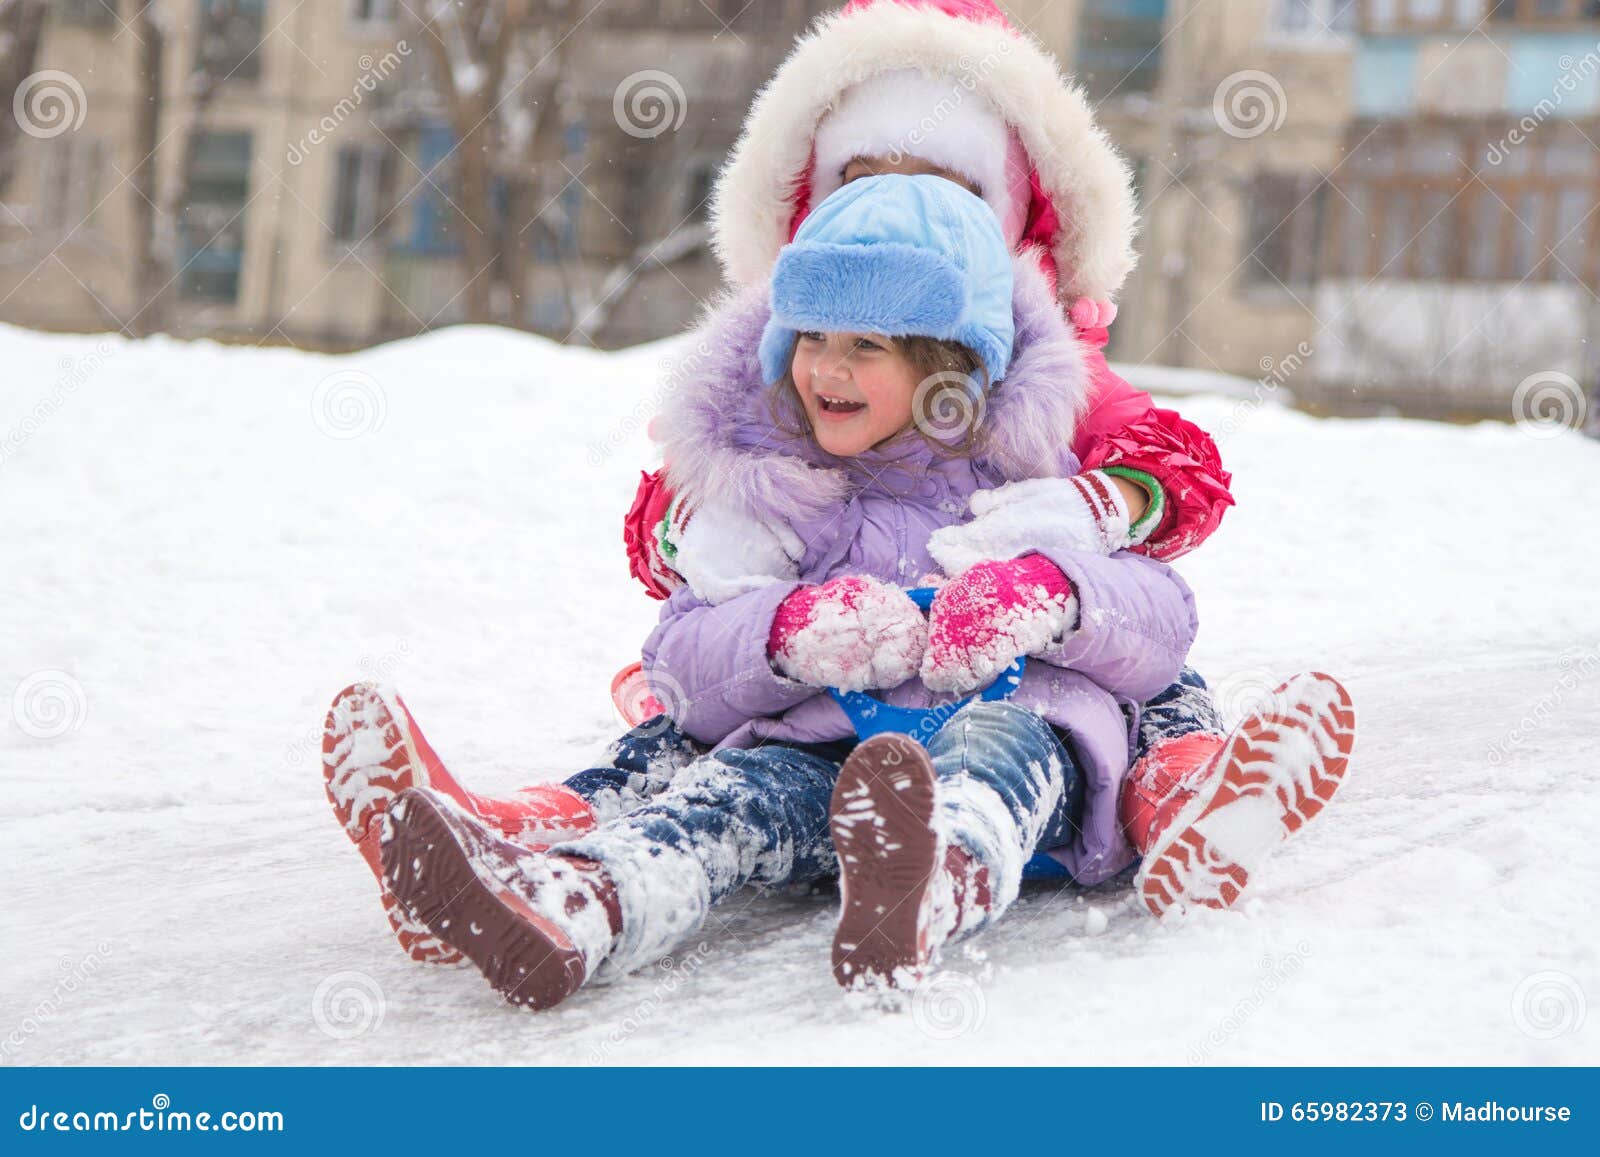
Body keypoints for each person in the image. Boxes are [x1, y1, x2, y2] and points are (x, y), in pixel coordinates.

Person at [327, 174, 1347, 1013]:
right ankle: (575, 903)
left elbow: (1160, 626)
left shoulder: (1023, 488)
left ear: (953, 363)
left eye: (866, 344)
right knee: (717, 803)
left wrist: (1049, 595)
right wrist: (784, 634)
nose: (828, 366)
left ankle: (926, 885)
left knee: (999, 761)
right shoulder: (782, 497)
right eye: (812, 338)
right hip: (825, 753)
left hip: (1010, 722)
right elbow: (679, 659)